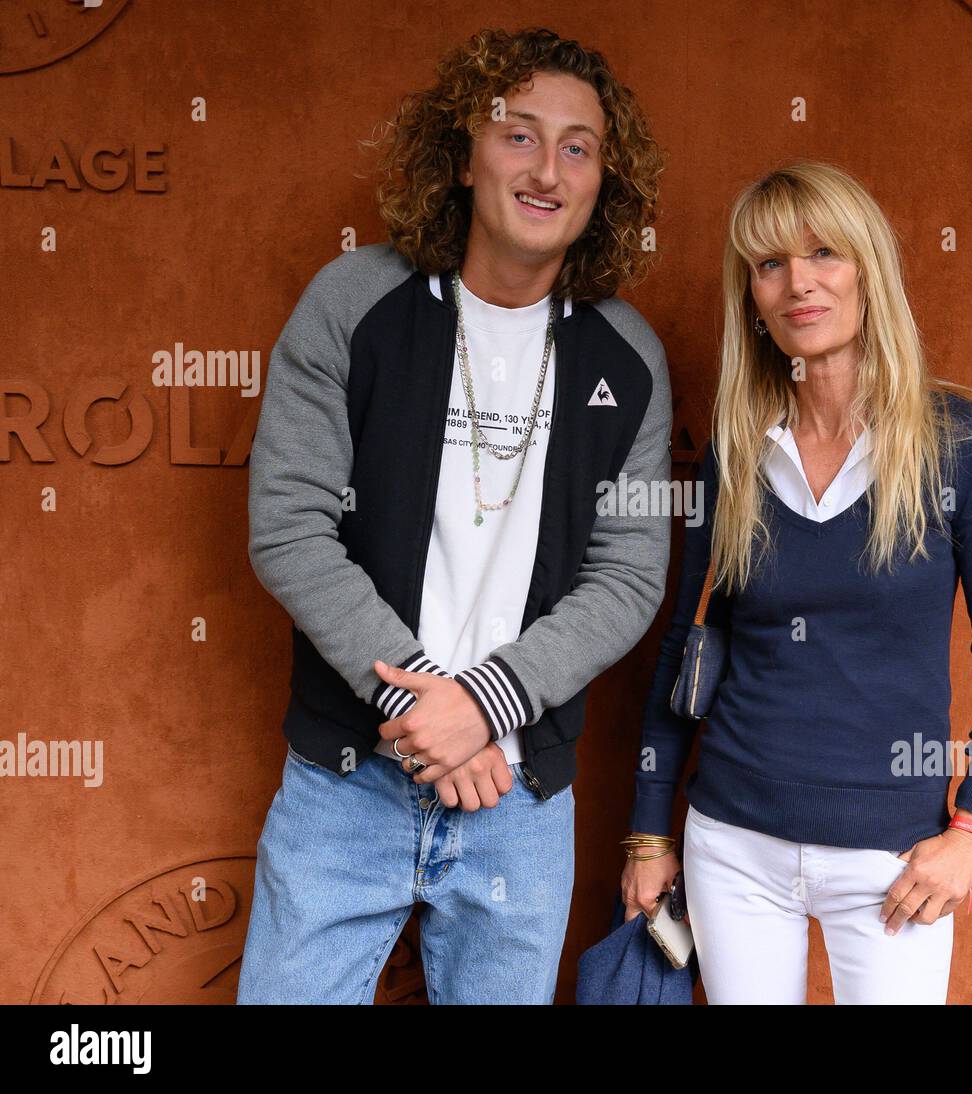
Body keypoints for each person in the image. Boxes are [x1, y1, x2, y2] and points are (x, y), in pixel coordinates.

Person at [237, 26, 672, 1005]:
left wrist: (483, 707)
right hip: (346, 785)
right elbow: (291, 526)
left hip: (517, 800)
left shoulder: (627, 356)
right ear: (463, 154)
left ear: (606, 180)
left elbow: (628, 574)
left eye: (577, 147)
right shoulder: (353, 304)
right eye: (518, 135)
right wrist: (422, 701)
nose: (547, 170)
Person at [621, 161, 972, 1004]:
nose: (798, 284)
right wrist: (646, 833)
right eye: (770, 264)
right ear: (752, 294)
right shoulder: (737, 451)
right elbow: (686, 646)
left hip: (891, 857)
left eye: (823, 253)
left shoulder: (958, 443)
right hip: (731, 845)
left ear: (868, 271)